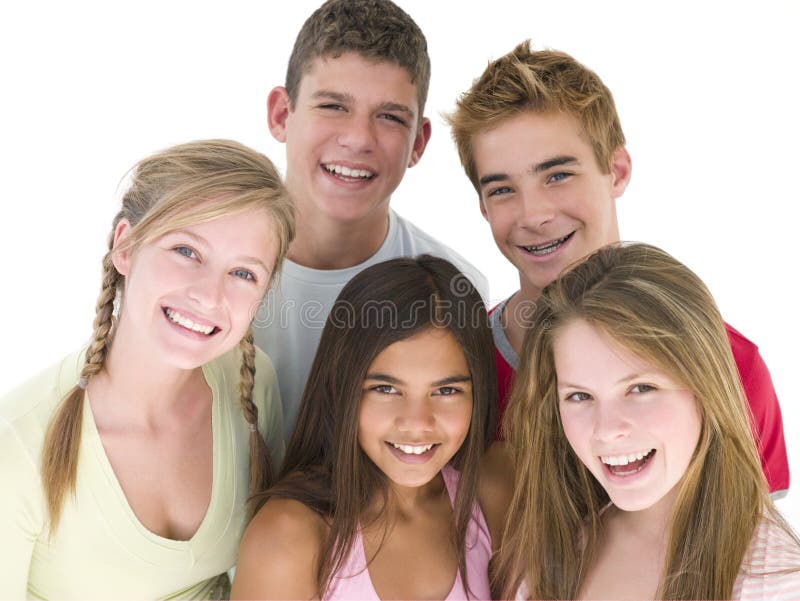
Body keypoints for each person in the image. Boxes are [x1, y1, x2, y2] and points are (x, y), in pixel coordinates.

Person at [445, 40, 789, 496]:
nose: (533, 215)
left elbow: (756, 556)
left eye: (558, 175)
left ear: (617, 170)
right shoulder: (452, 376)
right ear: (483, 207)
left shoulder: (729, 366)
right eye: (502, 189)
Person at [0, 140, 294, 599]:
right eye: (186, 251)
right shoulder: (15, 444)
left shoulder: (252, 386)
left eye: (243, 274)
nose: (208, 295)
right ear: (126, 247)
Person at [496, 242, 800, 600]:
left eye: (641, 388)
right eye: (579, 396)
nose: (607, 429)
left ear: (705, 387)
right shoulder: (550, 557)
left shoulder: (777, 583)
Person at [252, 0, 489, 441]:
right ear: (282, 115)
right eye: (333, 106)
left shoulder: (455, 288)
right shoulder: (205, 269)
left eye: (390, 117)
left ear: (418, 143)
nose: (359, 138)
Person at [233, 256, 505, 600]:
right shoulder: (288, 537)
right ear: (341, 388)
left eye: (446, 390)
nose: (417, 422)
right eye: (386, 389)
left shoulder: (492, 491)